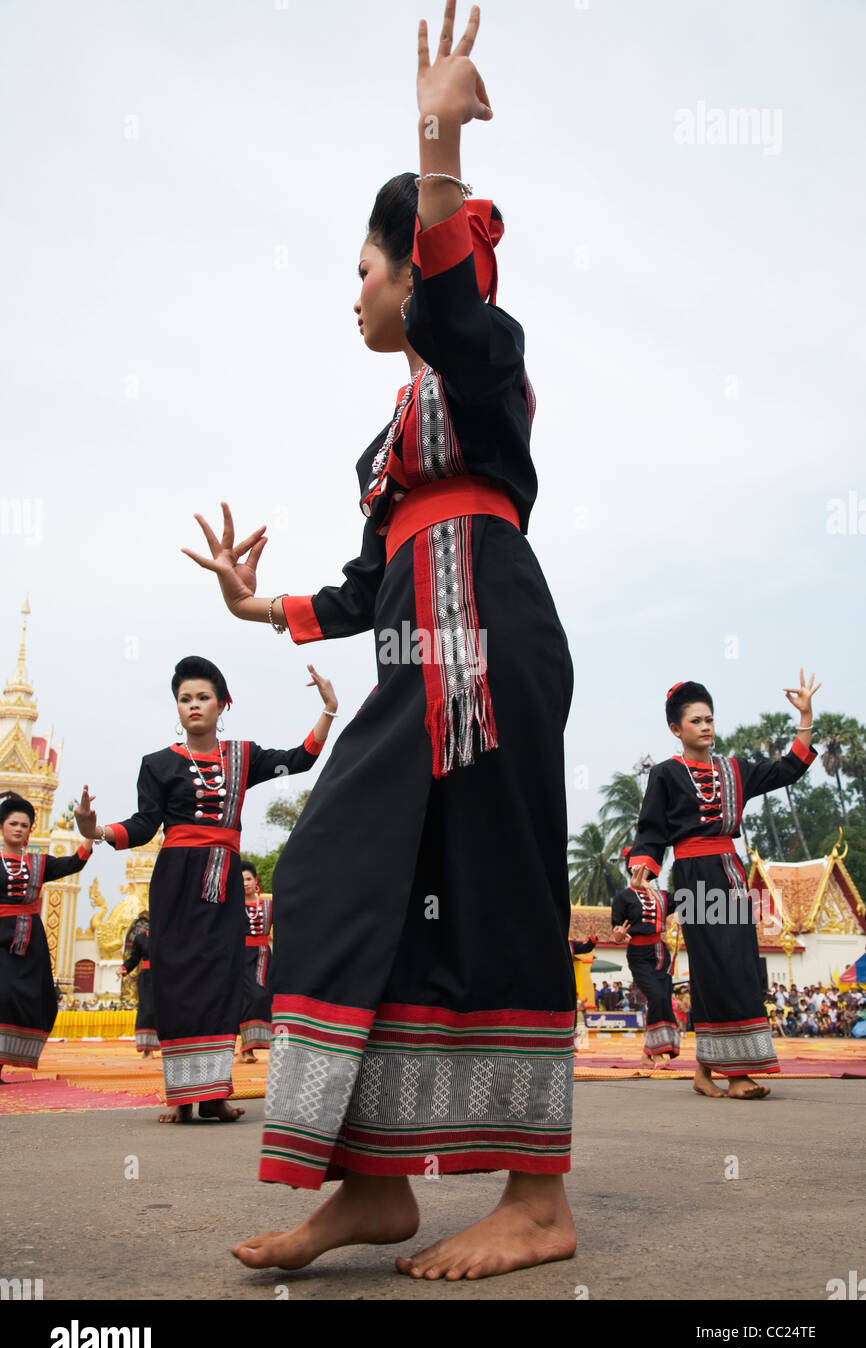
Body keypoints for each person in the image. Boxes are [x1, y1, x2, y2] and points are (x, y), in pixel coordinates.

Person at [184, 4, 577, 1281]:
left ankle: (535, 1198)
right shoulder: (388, 441)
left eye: (366, 265)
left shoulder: (480, 359)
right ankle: (369, 1185)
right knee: (327, 881)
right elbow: (367, 582)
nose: (352, 288)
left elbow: (460, 315)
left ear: (413, 269)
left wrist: (435, 146)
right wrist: (264, 613)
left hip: (495, 654)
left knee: (503, 886)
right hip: (419, 670)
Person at [74, 655, 337, 1123]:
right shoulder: (156, 764)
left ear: (222, 705)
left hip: (224, 880)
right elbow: (143, 825)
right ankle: (181, 1099)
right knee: (178, 977)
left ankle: (214, 1097)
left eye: (202, 698)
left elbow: (298, 760)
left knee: (220, 976)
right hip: (176, 879)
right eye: (184, 699)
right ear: (177, 708)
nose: (193, 705)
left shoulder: (244, 756)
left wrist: (329, 709)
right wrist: (95, 830)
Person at [629, 674, 820, 1099]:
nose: (706, 727)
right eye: (695, 720)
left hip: (731, 874)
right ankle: (736, 1075)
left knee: (739, 965)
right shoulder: (665, 774)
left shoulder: (736, 769)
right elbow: (651, 831)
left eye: (710, 719)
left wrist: (805, 717)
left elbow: (789, 769)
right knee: (718, 966)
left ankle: (706, 1070)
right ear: (676, 729)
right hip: (694, 877)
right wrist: (643, 867)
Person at [0, 793, 93, 1081]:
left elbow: (73, 863)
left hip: (30, 943)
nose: (18, 829)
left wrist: (88, 831)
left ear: (30, 830)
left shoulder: (39, 864)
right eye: (13, 823)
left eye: (24, 825)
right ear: (2, 826)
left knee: (29, 998)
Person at [611, 863, 680, 1068]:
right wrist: (618, 936)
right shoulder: (623, 898)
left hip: (661, 953)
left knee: (663, 999)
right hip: (638, 954)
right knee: (657, 996)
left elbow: (689, 896)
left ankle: (648, 1053)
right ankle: (658, 1051)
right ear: (629, 868)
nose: (640, 867)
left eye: (645, 863)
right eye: (635, 864)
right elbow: (616, 931)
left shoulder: (664, 896)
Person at [237, 861, 273, 1064]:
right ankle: (246, 1048)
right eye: (241, 880)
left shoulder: (268, 905)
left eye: (248, 879)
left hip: (264, 956)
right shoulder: (233, 906)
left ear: (256, 881)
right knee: (248, 998)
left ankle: (253, 1047)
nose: (245, 883)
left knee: (264, 997)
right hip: (241, 956)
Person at [117, 913, 157, 1056]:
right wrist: (124, 968)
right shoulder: (141, 938)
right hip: (147, 979)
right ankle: (147, 1050)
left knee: (165, 1011)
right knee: (147, 1011)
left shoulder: (169, 936)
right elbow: (134, 958)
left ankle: (169, 1048)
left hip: (165, 978)